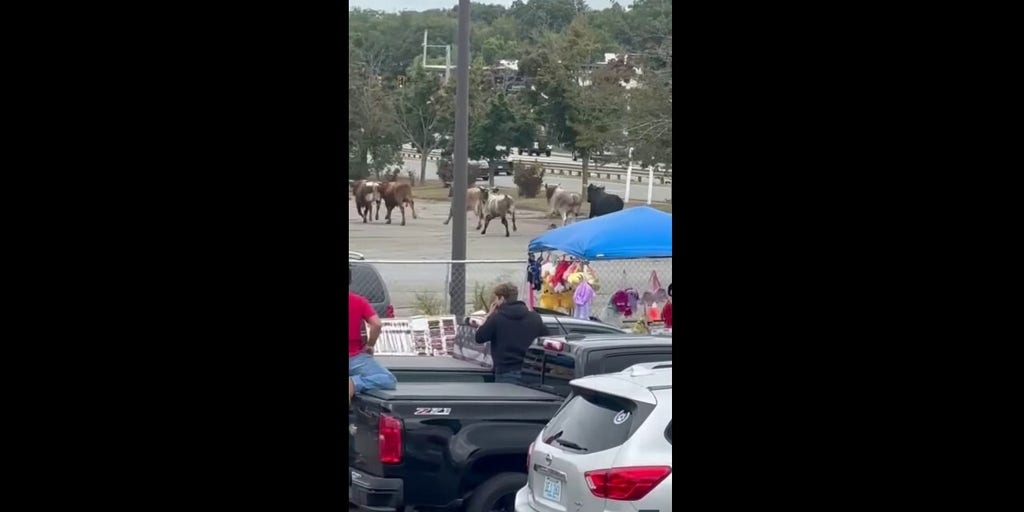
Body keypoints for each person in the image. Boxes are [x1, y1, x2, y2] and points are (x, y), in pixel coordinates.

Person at [473, 282, 550, 383]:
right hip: (530, 373)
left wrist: (488, 315)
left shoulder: (497, 319)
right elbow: (547, 341)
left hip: (505, 372)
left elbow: (479, 337)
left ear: (501, 299)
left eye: (496, 299)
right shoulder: (534, 317)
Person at [349, 266, 396, 407]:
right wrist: (370, 345)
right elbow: (377, 324)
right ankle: (354, 383)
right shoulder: (359, 301)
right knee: (387, 379)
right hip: (355, 358)